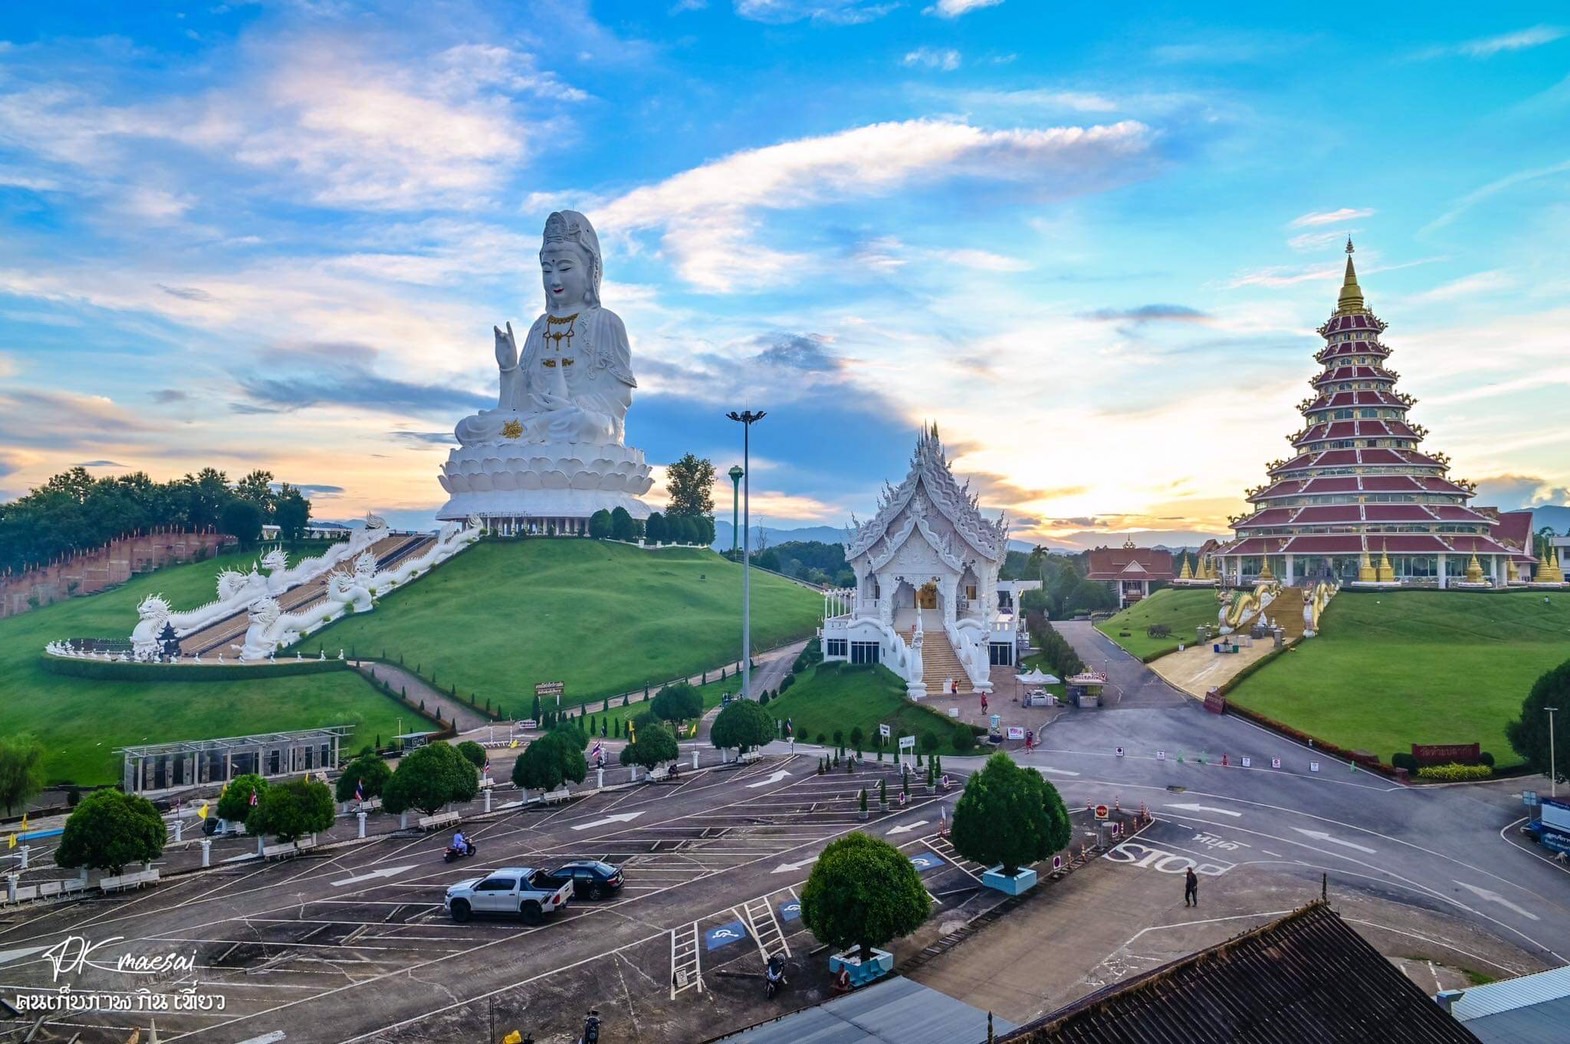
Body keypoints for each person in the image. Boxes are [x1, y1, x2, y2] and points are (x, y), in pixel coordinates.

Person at [455, 211, 636, 448]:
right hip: (535, 422)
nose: (555, 281)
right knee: (470, 428)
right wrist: (509, 367)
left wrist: (571, 407)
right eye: (547, 271)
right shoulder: (540, 327)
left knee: (581, 425)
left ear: (590, 268)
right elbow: (517, 404)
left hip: (578, 422)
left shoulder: (606, 322)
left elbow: (619, 397)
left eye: (564, 268)